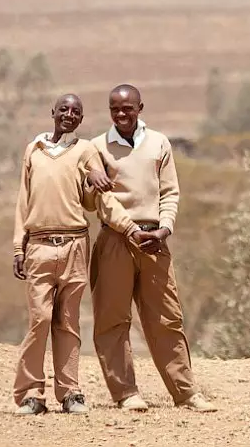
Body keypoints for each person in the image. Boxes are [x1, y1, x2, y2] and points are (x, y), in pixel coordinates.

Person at [86, 84, 216, 413]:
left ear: (140, 108)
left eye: (127, 108)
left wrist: (165, 228)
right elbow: (98, 200)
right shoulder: (97, 148)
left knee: (167, 319)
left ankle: (186, 393)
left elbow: (170, 192)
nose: (121, 114)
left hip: (154, 240)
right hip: (116, 238)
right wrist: (127, 228)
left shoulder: (159, 143)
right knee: (113, 320)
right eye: (114, 108)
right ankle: (126, 393)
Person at [12, 93, 140, 416]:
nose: (69, 114)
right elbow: (23, 200)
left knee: (68, 321)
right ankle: (31, 393)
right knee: (40, 319)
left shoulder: (84, 149)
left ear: (80, 120)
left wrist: (94, 177)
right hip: (39, 245)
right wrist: (18, 245)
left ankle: (70, 392)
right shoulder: (34, 150)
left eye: (76, 112)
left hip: (74, 245)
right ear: (52, 111)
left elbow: (93, 179)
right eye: (64, 109)